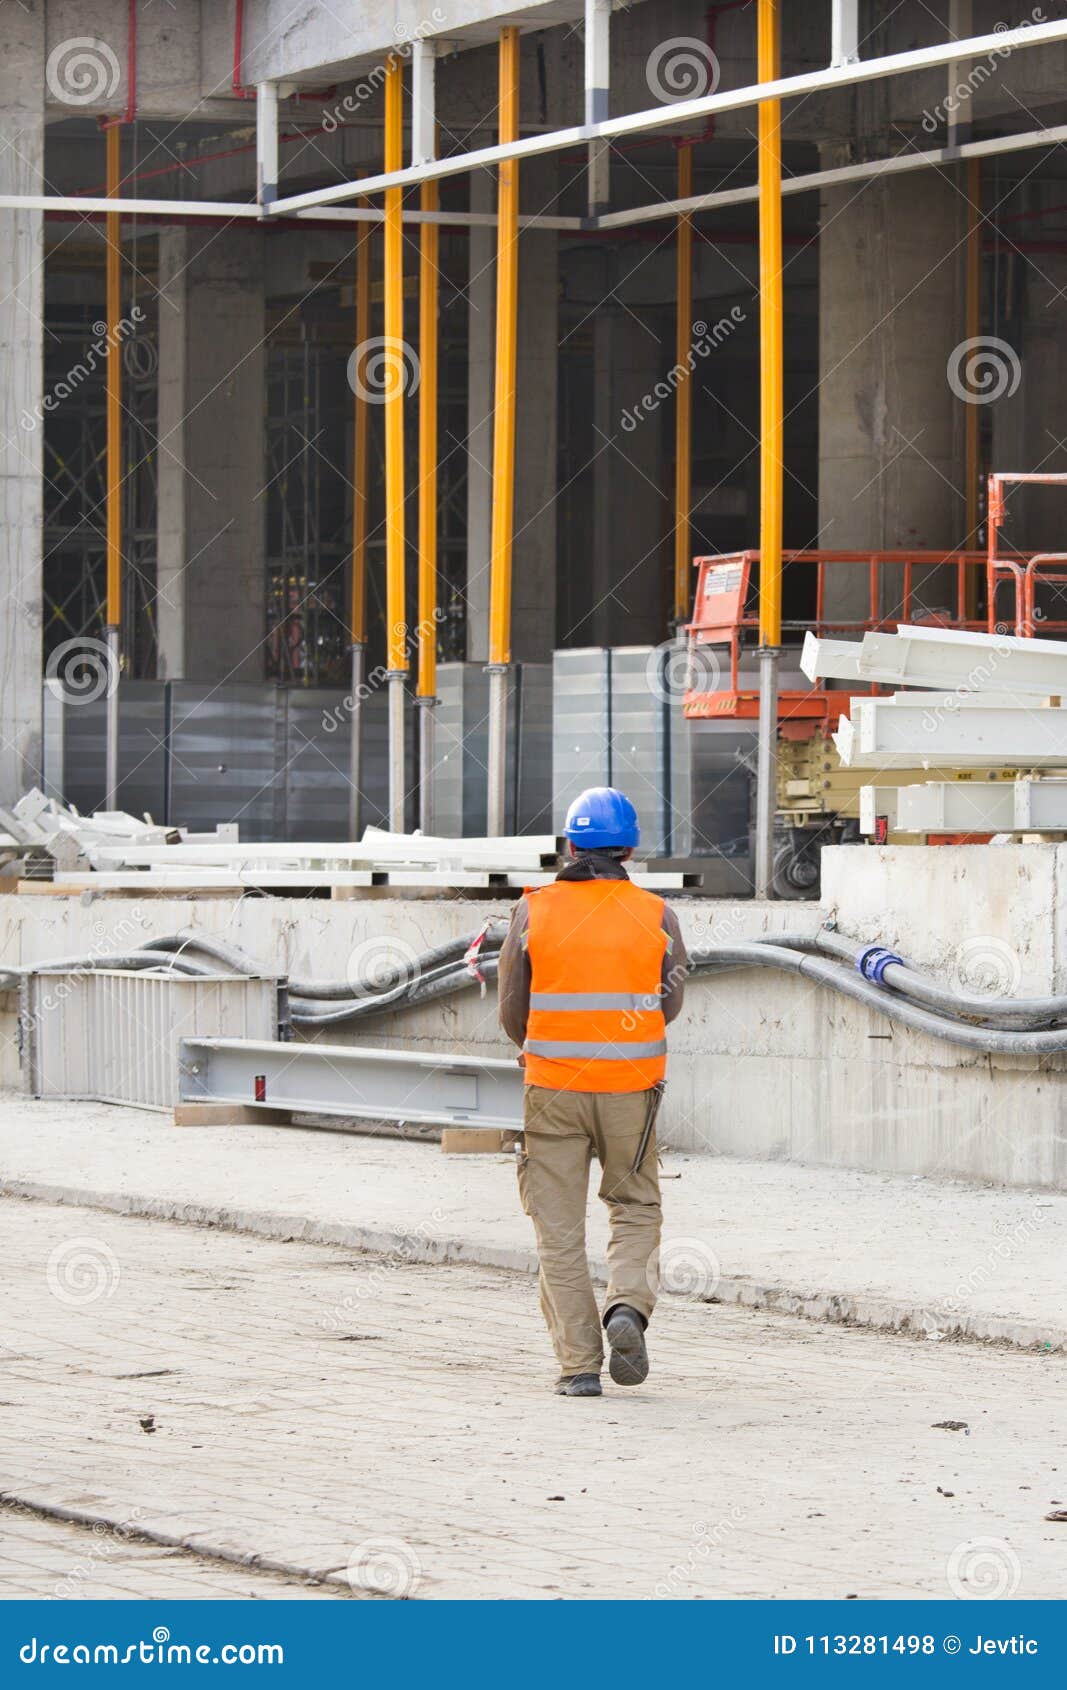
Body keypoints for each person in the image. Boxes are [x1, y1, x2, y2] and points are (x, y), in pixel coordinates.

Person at [497, 786, 688, 1397]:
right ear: (629, 849)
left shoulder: (534, 910)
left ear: (570, 845)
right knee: (634, 1206)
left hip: (553, 1088)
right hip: (630, 1089)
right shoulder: (656, 914)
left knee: (558, 1229)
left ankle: (579, 1365)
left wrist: (541, 1043)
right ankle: (627, 1306)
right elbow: (671, 1001)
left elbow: (511, 1007)